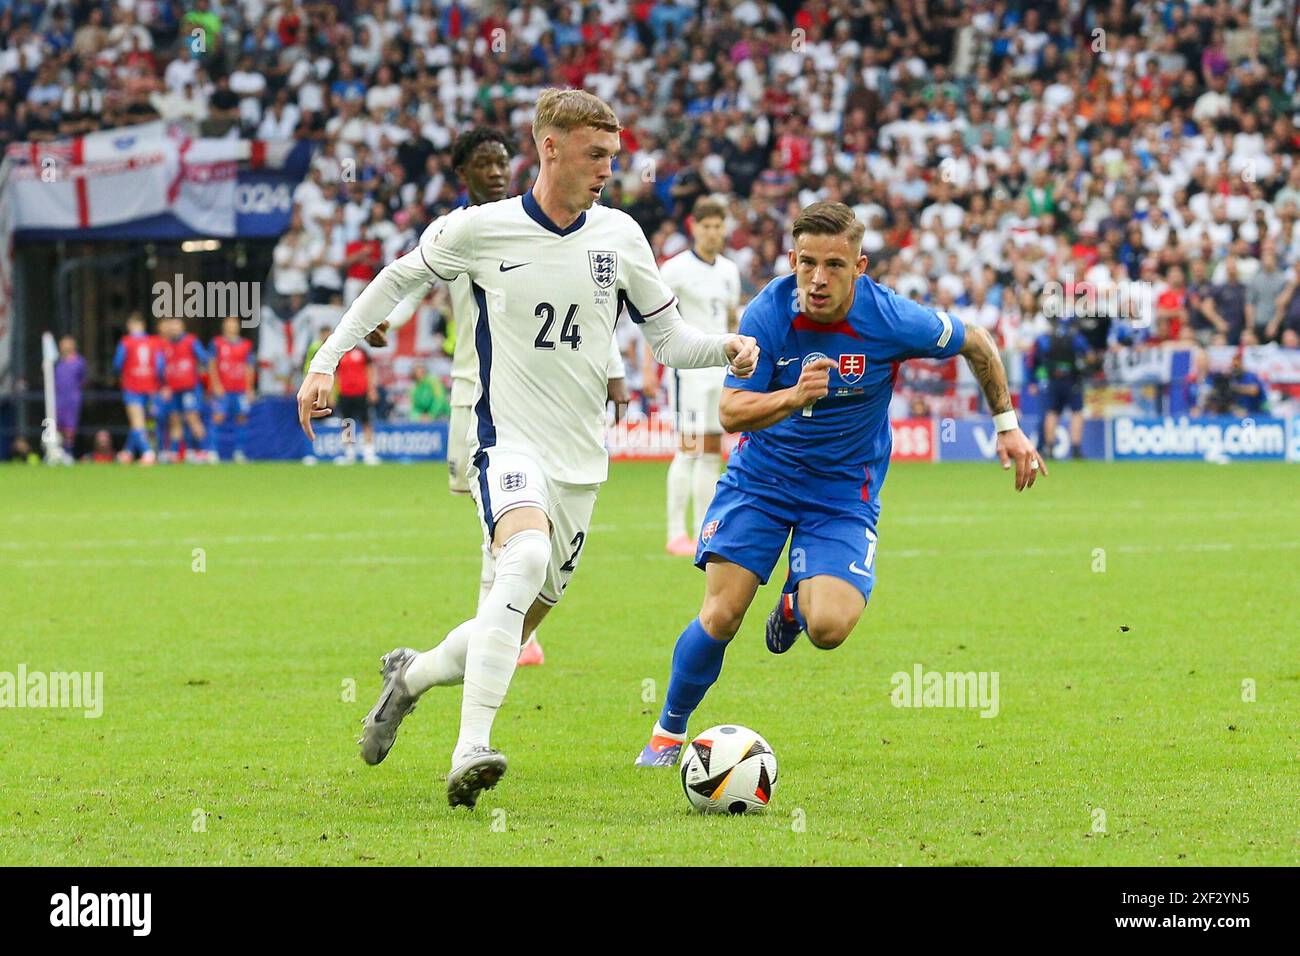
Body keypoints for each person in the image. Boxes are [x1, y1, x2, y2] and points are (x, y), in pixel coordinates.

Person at [296, 88, 758, 808]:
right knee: (526, 556)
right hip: (503, 443)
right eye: (595, 153)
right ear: (550, 147)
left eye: (613, 154)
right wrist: (326, 361)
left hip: (580, 465)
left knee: (506, 621)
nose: (609, 167)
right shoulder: (483, 229)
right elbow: (397, 279)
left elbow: (668, 340)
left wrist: (725, 348)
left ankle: (409, 678)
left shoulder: (622, 237)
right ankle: (470, 748)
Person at [632, 201, 1045, 767]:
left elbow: (975, 340)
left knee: (828, 627)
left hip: (843, 492)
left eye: (834, 265)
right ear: (792, 260)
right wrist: (793, 397)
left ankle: (795, 608)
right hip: (763, 480)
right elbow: (729, 411)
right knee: (723, 614)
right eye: (806, 264)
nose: (818, 279)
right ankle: (667, 733)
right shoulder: (768, 314)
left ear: (860, 267)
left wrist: (1009, 428)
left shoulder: (891, 319)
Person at [365, 127, 631, 669]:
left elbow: (586, 309)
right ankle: (498, 631)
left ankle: (498, 630)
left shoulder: (540, 224)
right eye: (483, 163)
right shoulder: (462, 231)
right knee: (499, 521)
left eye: (501, 161)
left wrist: (613, 367)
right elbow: (412, 286)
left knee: (515, 526)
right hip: (474, 397)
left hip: (535, 400)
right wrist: (386, 319)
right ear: (461, 173)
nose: (494, 172)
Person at [658, 196, 742, 556]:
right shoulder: (674, 269)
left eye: (718, 226)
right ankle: (676, 532)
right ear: (694, 227)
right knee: (688, 451)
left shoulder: (729, 271)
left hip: (719, 373)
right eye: (706, 226)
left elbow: (731, 320)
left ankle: (701, 530)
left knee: (711, 455)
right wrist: (655, 366)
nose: (713, 233)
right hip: (688, 373)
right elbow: (657, 320)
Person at [1031, 316, 1093, 460]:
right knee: (1076, 412)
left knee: (1052, 413)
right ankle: (1076, 449)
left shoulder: (1045, 338)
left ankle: (1050, 448)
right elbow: (1089, 355)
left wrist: (1034, 380)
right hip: (1072, 380)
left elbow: (1035, 359)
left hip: (1053, 380)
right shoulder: (1076, 338)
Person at [159, 317, 216, 463]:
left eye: (176, 326)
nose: (174, 329)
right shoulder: (166, 346)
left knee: (192, 418)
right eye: (171, 327)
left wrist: (208, 381)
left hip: (190, 388)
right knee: (175, 420)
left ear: (182, 327)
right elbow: (162, 368)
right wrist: (164, 385)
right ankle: (174, 452)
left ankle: (206, 451)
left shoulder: (191, 341)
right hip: (174, 390)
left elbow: (205, 359)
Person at [112, 312, 165, 464]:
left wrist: (118, 375)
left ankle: (147, 452)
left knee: (137, 422)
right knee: (142, 421)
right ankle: (128, 452)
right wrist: (158, 383)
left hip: (132, 386)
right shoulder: (154, 342)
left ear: (130, 325)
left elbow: (117, 363)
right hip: (150, 388)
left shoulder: (126, 342)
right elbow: (160, 366)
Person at [210, 316, 255, 462]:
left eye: (234, 324)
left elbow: (249, 367)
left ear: (238, 326)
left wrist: (249, 388)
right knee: (218, 417)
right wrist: (216, 384)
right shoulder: (217, 343)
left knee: (242, 418)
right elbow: (212, 365)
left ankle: (239, 451)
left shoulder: (246, 345)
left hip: (240, 388)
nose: (231, 327)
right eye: (229, 324)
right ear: (224, 326)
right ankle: (212, 451)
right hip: (223, 388)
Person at [333, 341, 379, 465]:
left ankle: (369, 453)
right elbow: (335, 374)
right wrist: (333, 392)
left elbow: (369, 370)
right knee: (347, 423)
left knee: (366, 422)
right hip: (345, 393)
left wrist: (372, 389)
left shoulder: (362, 352)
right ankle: (349, 453)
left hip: (361, 392)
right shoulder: (339, 353)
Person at [54, 335, 87, 458]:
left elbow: (83, 380)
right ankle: (57, 452)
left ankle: (68, 453)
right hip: (58, 399)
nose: (63, 346)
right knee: (57, 426)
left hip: (72, 399)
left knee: (70, 428)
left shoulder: (79, 362)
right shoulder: (57, 362)